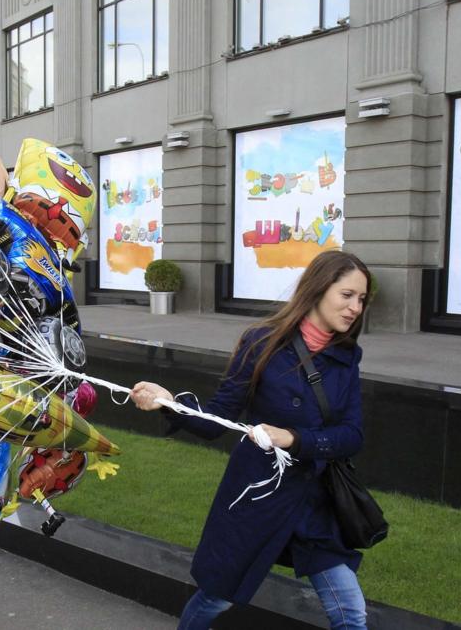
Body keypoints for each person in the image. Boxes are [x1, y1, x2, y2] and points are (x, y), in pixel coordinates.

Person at [131, 250, 371, 630]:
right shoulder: (262, 342)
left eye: (361, 298)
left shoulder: (345, 357)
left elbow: (351, 435)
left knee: (350, 614)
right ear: (319, 289)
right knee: (216, 598)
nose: (355, 307)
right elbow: (217, 420)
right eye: (347, 295)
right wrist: (169, 403)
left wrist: (294, 438)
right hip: (257, 500)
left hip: (313, 506)